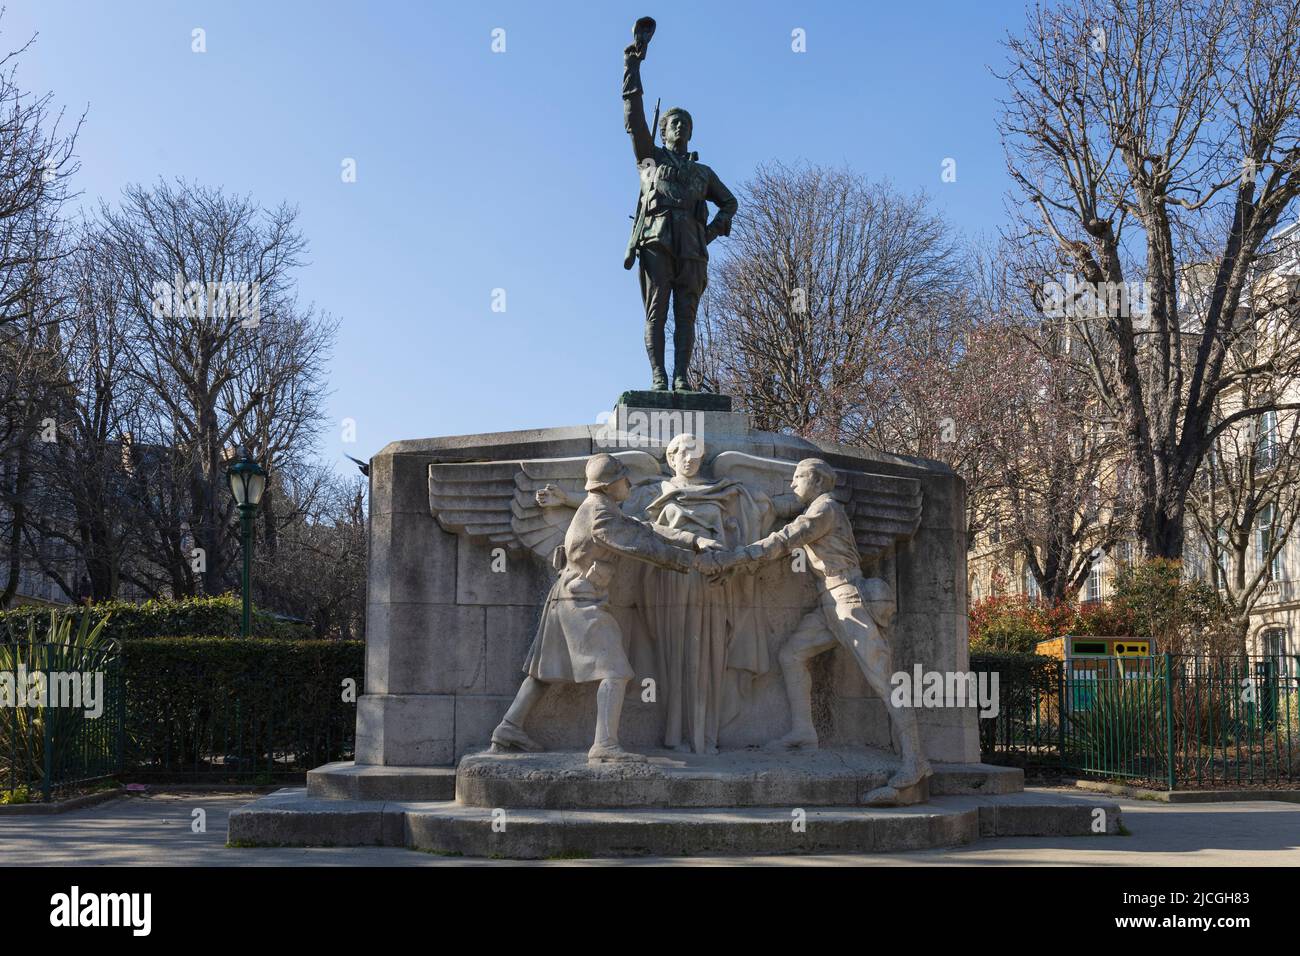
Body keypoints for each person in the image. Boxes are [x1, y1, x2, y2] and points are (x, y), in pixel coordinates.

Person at [699, 459, 933, 794]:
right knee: (792, 654)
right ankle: (803, 731)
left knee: (882, 678)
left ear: (819, 481)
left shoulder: (825, 509)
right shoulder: (818, 507)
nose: (793, 483)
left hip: (847, 600)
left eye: (799, 477)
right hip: (830, 602)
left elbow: (787, 538)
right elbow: (784, 518)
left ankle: (915, 760)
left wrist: (738, 558)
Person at [490, 453, 719, 764]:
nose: (629, 484)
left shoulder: (602, 509)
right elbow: (641, 545)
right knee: (615, 671)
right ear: (611, 485)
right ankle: (605, 746)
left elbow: (647, 529)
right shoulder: (601, 515)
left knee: (544, 672)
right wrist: (691, 561)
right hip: (581, 601)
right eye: (625, 479)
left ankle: (508, 728)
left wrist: (694, 540)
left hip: (568, 598)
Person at [622, 37, 736, 391]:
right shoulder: (649, 157)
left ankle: (682, 377)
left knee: (686, 314)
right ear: (663, 130)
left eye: (685, 124)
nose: (680, 127)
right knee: (657, 309)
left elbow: (729, 202)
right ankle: (658, 376)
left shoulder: (703, 173)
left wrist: (712, 232)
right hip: (657, 237)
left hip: (692, 245)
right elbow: (634, 119)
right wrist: (633, 67)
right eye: (674, 123)